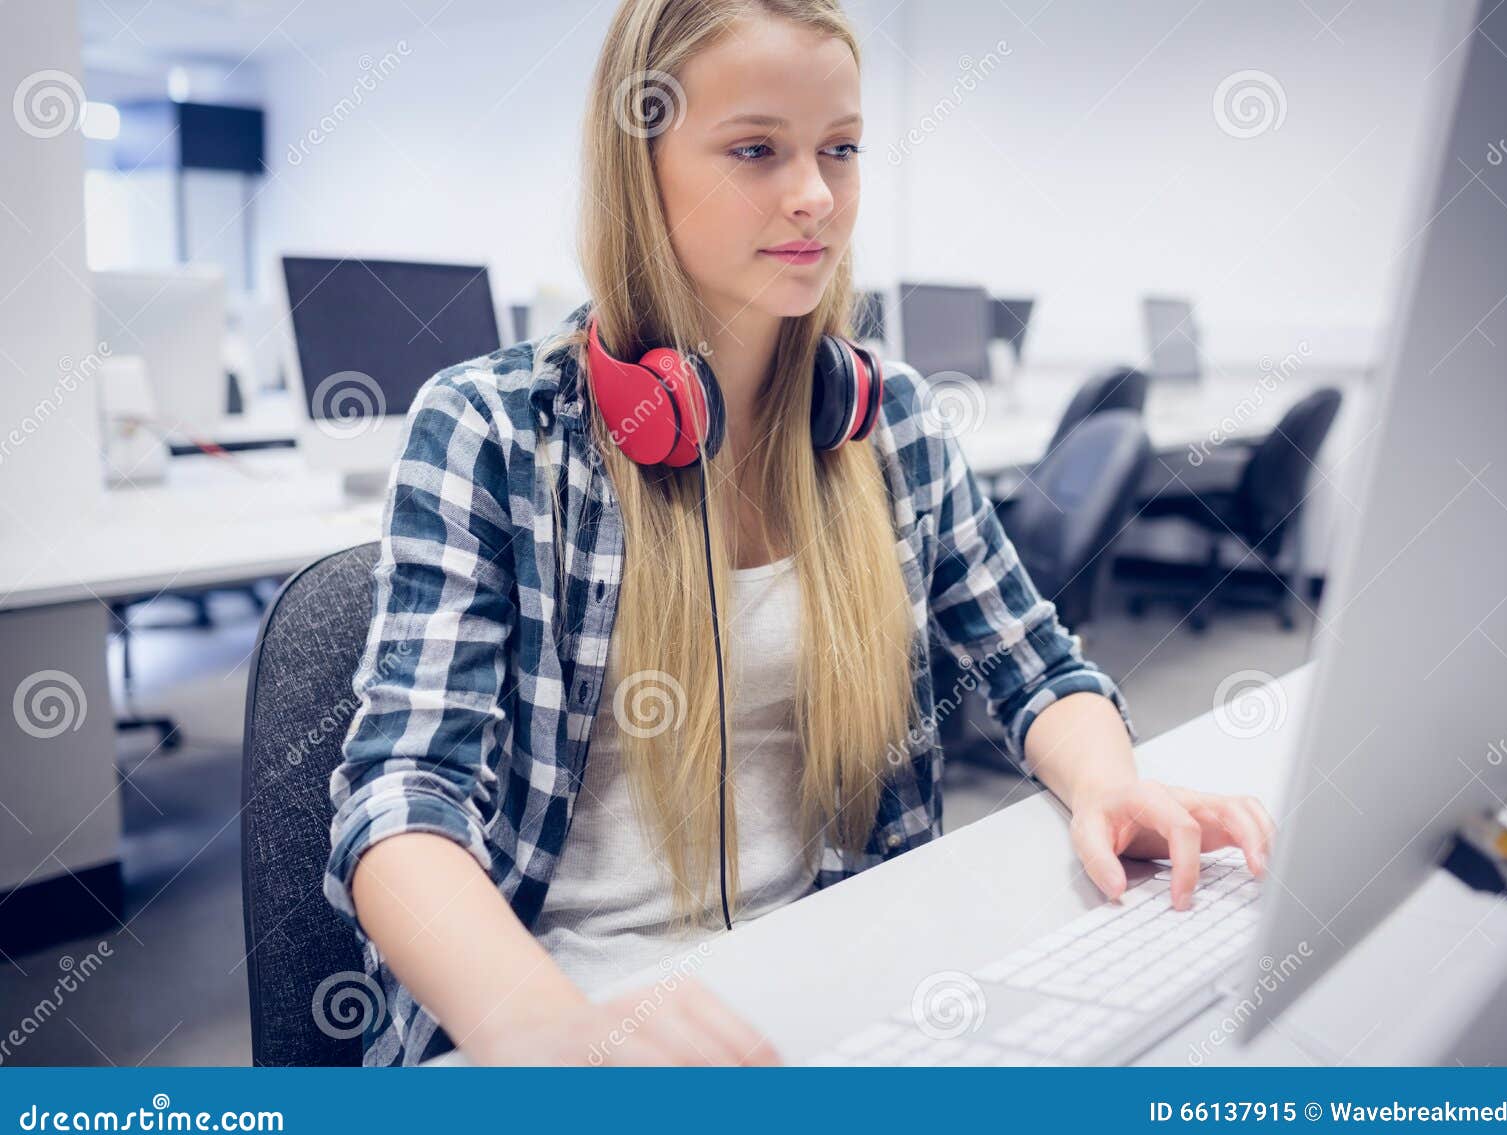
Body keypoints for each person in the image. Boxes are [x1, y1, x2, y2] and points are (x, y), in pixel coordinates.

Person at [323, 0, 1276, 1067]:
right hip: (572, 1016)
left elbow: (1038, 668)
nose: (816, 195)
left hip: (837, 981)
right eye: (755, 150)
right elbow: (401, 797)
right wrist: (539, 1025)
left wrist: (1109, 783)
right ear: (640, 167)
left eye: (840, 149)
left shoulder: (889, 420)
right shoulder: (496, 429)